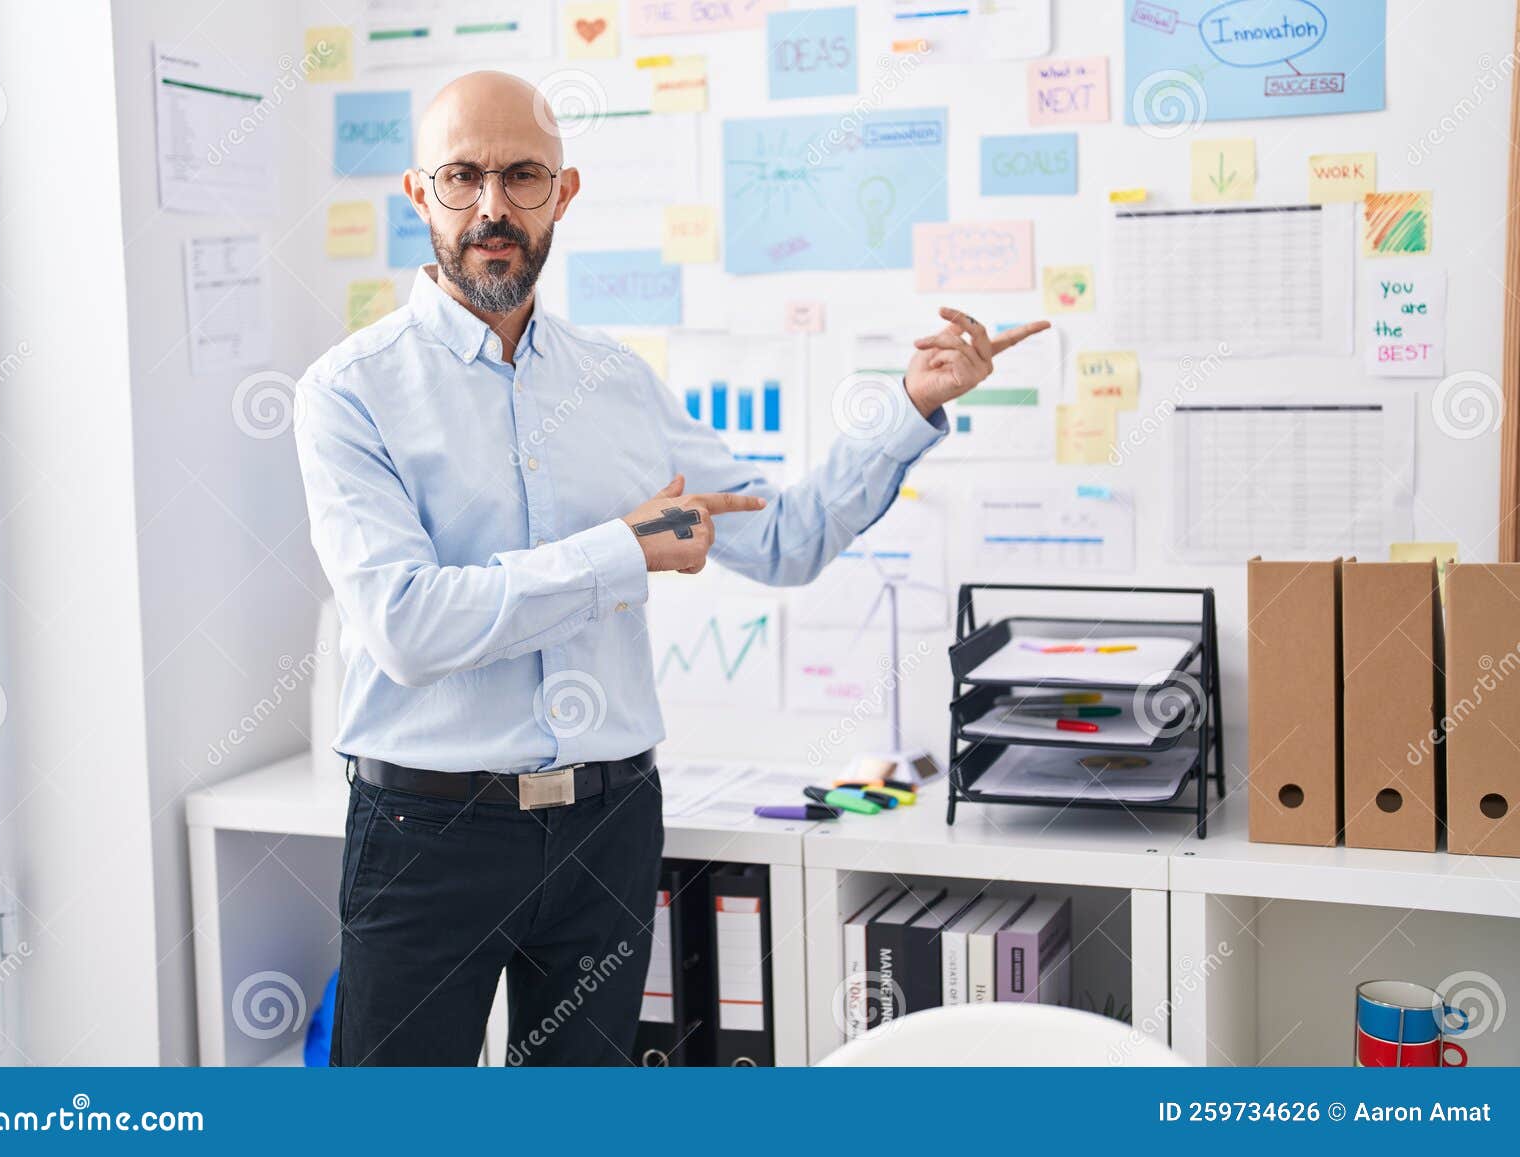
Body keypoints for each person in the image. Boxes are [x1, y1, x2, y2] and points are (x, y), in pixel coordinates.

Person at [293, 70, 1048, 1067]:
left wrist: (907, 407)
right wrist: (625, 548)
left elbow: (782, 538)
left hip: (607, 827)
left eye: (521, 177)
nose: (490, 208)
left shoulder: (617, 385)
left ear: (562, 193)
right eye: (460, 177)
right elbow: (405, 623)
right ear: (416, 194)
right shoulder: (350, 391)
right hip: (429, 830)